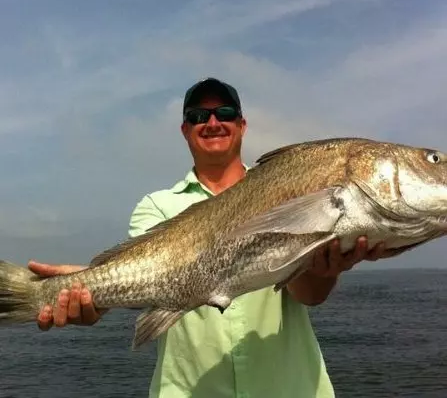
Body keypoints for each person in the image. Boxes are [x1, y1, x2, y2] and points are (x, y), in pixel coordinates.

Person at [29, 78, 392, 397]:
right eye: (199, 117)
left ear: (242, 124)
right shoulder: (156, 206)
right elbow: (148, 282)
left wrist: (324, 270)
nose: (213, 122)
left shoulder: (293, 190)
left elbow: (307, 295)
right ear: (185, 130)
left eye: (225, 112)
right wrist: (90, 296)